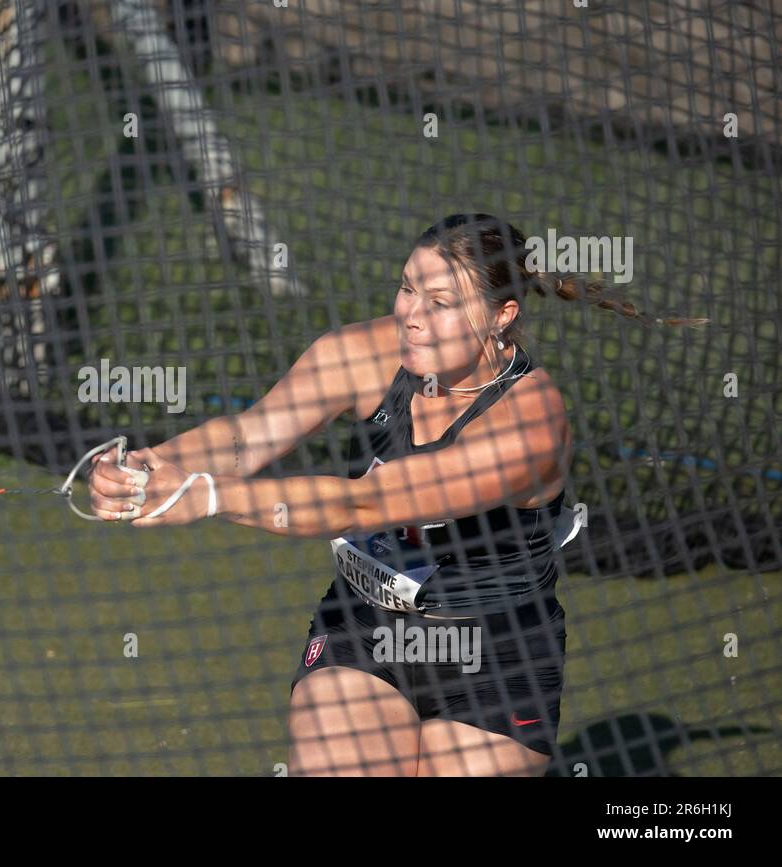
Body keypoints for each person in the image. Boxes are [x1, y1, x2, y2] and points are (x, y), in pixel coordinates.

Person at [87, 213, 707, 776]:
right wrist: (152, 467)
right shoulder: (362, 353)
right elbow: (248, 437)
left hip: (497, 654)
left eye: (440, 302)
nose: (411, 314)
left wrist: (209, 497)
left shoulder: (529, 421)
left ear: (501, 316)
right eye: (408, 288)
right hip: (364, 625)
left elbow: (366, 504)